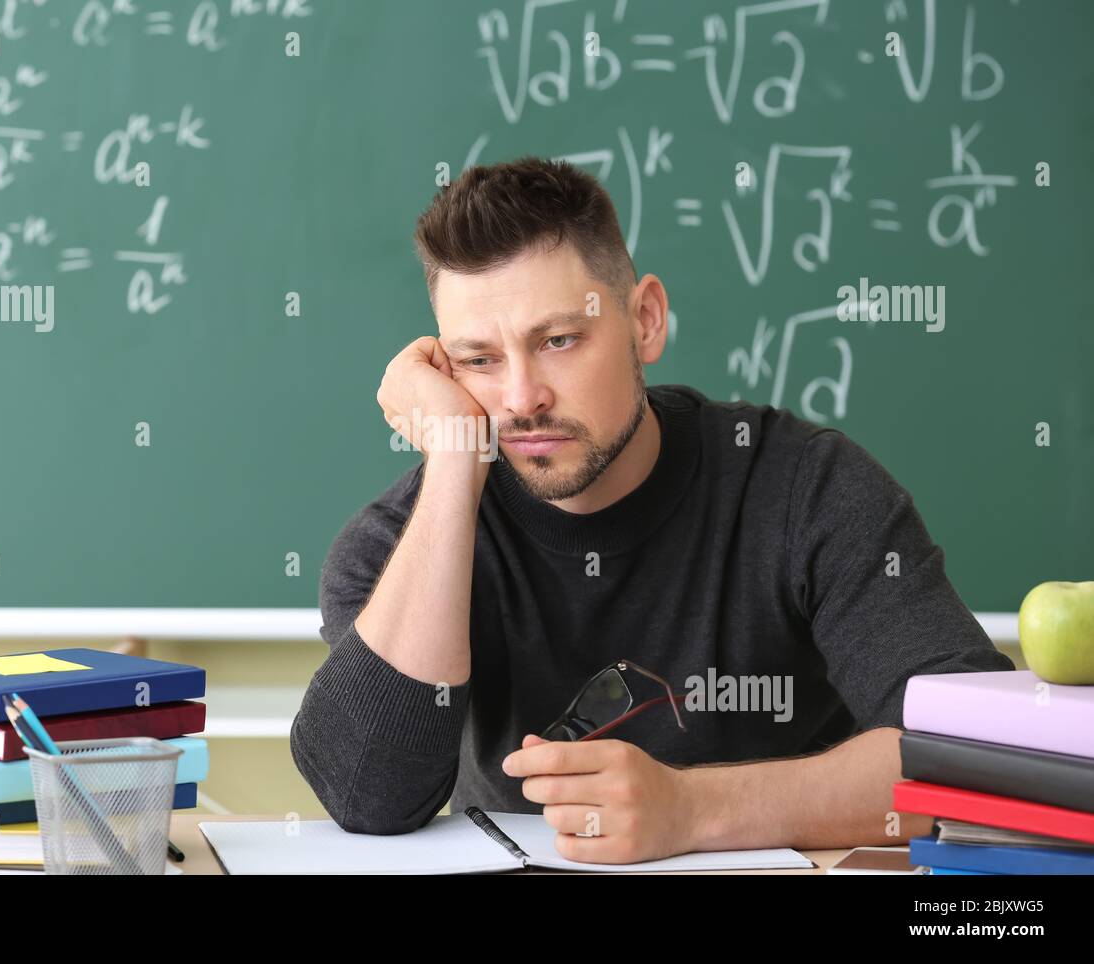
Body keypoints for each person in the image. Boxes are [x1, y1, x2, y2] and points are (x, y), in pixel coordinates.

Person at [289, 156, 1013, 864]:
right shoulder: (400, 543)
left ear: (646, 321)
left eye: (560, 340)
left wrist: (694, 811)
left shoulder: (807, 487)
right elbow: (370, 798)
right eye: (478, 360)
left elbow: (981, 759)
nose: (521, 398)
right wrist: (454, 464)